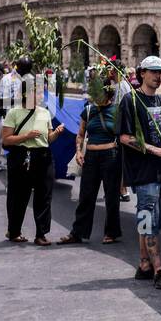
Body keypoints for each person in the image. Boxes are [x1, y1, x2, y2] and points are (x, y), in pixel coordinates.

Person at [117, 55, 161, 289]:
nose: (158, 76)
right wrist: (155, 150)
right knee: (148, 219)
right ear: (141, 73)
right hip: (144, 170)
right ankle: (159, 269)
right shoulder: (130, 100)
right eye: (154, 72)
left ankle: (144, 263)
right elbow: (125, 137)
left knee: (155, 217)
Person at [2, 71, 65, 246]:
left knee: (44, 195)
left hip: (43, 156)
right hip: (21, 156)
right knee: (18, 196)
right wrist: (26, 136)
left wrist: (56, 133)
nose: (40, 95)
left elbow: (47, 138)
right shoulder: (14, 112)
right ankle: (14, 231)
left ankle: (41, 234)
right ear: (26, 94)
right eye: (37, 92)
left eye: (41, 92)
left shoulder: (44, 112)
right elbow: (6, 139)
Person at [59, 73, 123, 245]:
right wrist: (79, 152)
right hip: (91, 158)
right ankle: (78, 233)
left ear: (108, 94)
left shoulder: (117, 111)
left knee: (111, 197)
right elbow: (80, 135)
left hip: (111, 157)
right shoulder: (88, 110)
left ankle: (111, 232)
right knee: (86, 196)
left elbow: (124, 136)